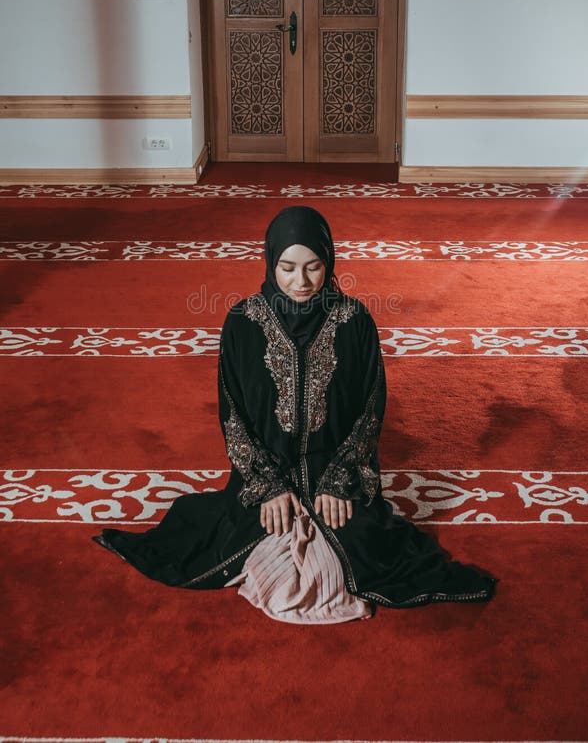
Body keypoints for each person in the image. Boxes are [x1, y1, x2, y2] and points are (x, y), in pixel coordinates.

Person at [94, 206, 496, 621]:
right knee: (231, 540)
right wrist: (268, 486)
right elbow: (232, 413)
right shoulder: (243, 322)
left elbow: (371, 409)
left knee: (362, 551)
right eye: (286, 267)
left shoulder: (354, 320)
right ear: (270, 262)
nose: (300, 282)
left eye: (314, 267)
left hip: (335, 474)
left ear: (330, 262)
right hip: (266, 473)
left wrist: (340, 481)